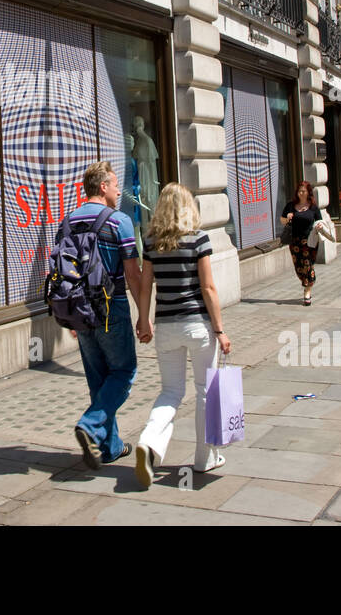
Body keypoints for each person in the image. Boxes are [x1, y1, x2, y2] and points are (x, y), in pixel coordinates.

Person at [134, 183, 232, 488]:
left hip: (166, 325)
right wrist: (220, 329)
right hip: (198, 325)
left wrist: (144, 321)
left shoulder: (151, 242)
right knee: (204, 390)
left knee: (171, 392)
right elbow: (208, 288)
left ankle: (149, 440)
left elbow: (145, 285)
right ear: (189, 206)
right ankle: (205, 458)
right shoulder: (198, 239)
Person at [68, 161, 145, 469]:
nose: (117, 190)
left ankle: (110, 447)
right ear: (103, 187)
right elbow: (133, 273)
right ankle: (89, 424)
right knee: (125, 372)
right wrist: (144, 314)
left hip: (80, 309)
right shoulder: (119, 221)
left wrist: (68, 317)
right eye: (114, 184)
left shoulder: (69, 220)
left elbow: (64, 272)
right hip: (112, 305)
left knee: (99, 379)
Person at [280, 180, 323, 305]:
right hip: (294, 241)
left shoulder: (313, 207)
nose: (301, 193)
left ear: (308, 192)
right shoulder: (290, 206)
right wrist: (286, 217)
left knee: (308, 264)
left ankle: (307, 291)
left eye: (303, 191)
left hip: (309, 240)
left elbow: (319, 221)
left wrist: (319, 225)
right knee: (299, 267)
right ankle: (305, 282)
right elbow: (282, 221)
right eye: (299, 191)